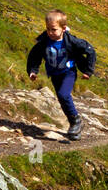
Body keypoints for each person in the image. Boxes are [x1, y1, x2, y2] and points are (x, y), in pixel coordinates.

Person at [26, 9, 96, 140]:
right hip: (54, 74)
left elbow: (91, 51)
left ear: (63, 28)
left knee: (64, 95)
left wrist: (88, 71)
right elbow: (34, 56)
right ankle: (75, 129)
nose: (50, 33)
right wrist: (33, 71)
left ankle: (76, 121)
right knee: (62, 99)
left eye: (54, 29)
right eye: (48, 29)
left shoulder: (71, 41)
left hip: (68, 72)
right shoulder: (44, 42)